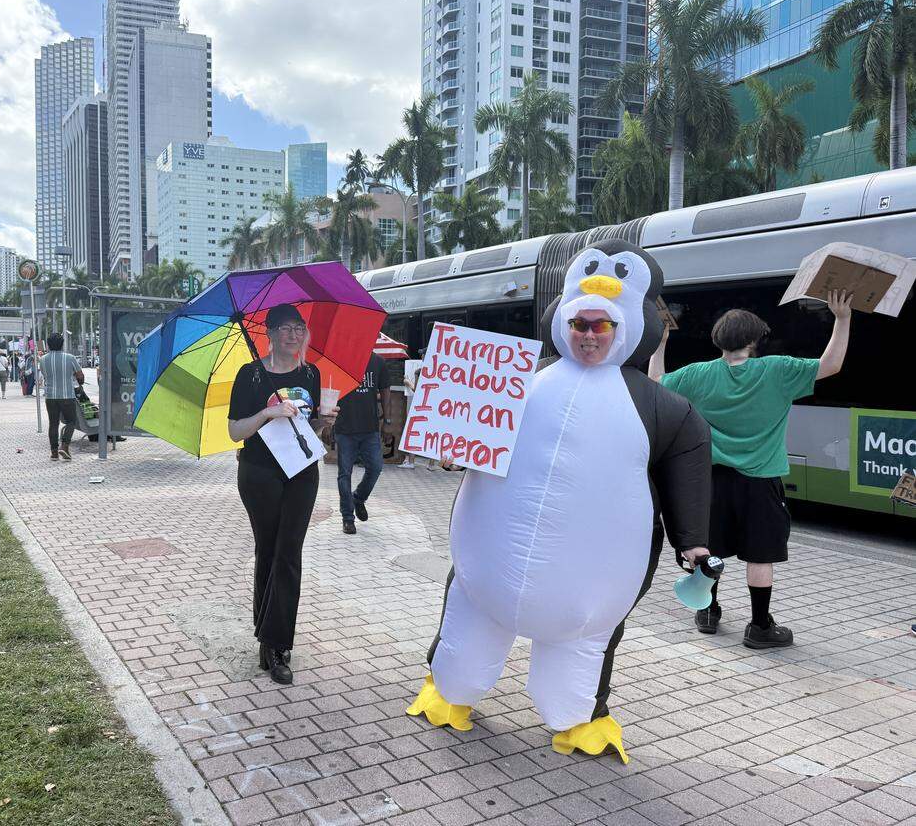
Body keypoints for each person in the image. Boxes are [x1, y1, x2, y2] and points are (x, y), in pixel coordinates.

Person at [409, 241, 711, 766]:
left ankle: (578, 715)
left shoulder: (663, 408)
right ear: (561, 320)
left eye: (602, 327)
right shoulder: (513, 380)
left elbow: (686, 467)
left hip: (590, 591)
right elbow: (468, 437)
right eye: (581, 325)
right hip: (487, 571)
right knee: (470, 628)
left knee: (579, 652)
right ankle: (449, 688)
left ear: (631, 327)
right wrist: (451, 452)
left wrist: (694, 542)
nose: (590, 336)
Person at [649, 290, 853, 649]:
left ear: (718, 341)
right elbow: (831, 364)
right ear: (755, 339)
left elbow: (655, 383)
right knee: (760, 553)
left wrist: (661, 342)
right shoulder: (778, 370)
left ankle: (708, 611)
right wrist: (842, 318)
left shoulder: (698, 374)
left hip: (709, 481)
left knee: (707, 549)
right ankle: (760, 627)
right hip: (761, 480)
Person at [227, 304, 340, 685]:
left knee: (289, 551)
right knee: (268, 549)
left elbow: (310, 431)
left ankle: (276, 644)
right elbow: (235, 432)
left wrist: (324, 424)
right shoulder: (250, 375)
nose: (294, 335)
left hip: (302, 471)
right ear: (270, 334)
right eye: (285, 329)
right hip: (259, 473)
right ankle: (267, 635)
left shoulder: (311, 373)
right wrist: (267, 414)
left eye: (299, 328)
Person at [331, 352, 392, 535]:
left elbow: (386, 391)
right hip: (344, 427)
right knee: (344, 474)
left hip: (370, 428)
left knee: (375, 467)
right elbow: (328, 389)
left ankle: (358, 498)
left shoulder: (378, 361)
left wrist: (387, 422)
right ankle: (348, 518)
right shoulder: (338, 360)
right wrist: (326, 423)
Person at [40, 333, 83, 461]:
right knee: (71, 421)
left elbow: (44, 375)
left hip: (50, 396)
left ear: (48, 345)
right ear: (62, 344)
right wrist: (79, 382)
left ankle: (54, 452)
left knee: (53, 423)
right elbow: (80, 375)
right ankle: (64, 446)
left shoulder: (43, 359)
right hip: (67, 396)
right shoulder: (70, 358)